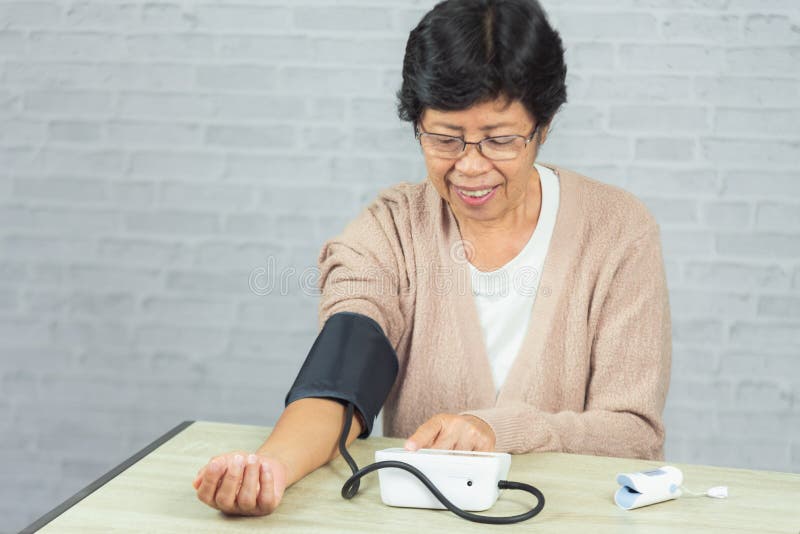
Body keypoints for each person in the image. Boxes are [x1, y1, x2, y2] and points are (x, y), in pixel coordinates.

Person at [193, 0, 671, 517]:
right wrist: (270, 469)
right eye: (444, 139)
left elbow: (633, 432)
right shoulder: (392, 229)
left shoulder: (619, 230)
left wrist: (500, 429)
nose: (469, 166)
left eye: (499, 140)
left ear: (544, 125)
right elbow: (341, 380)